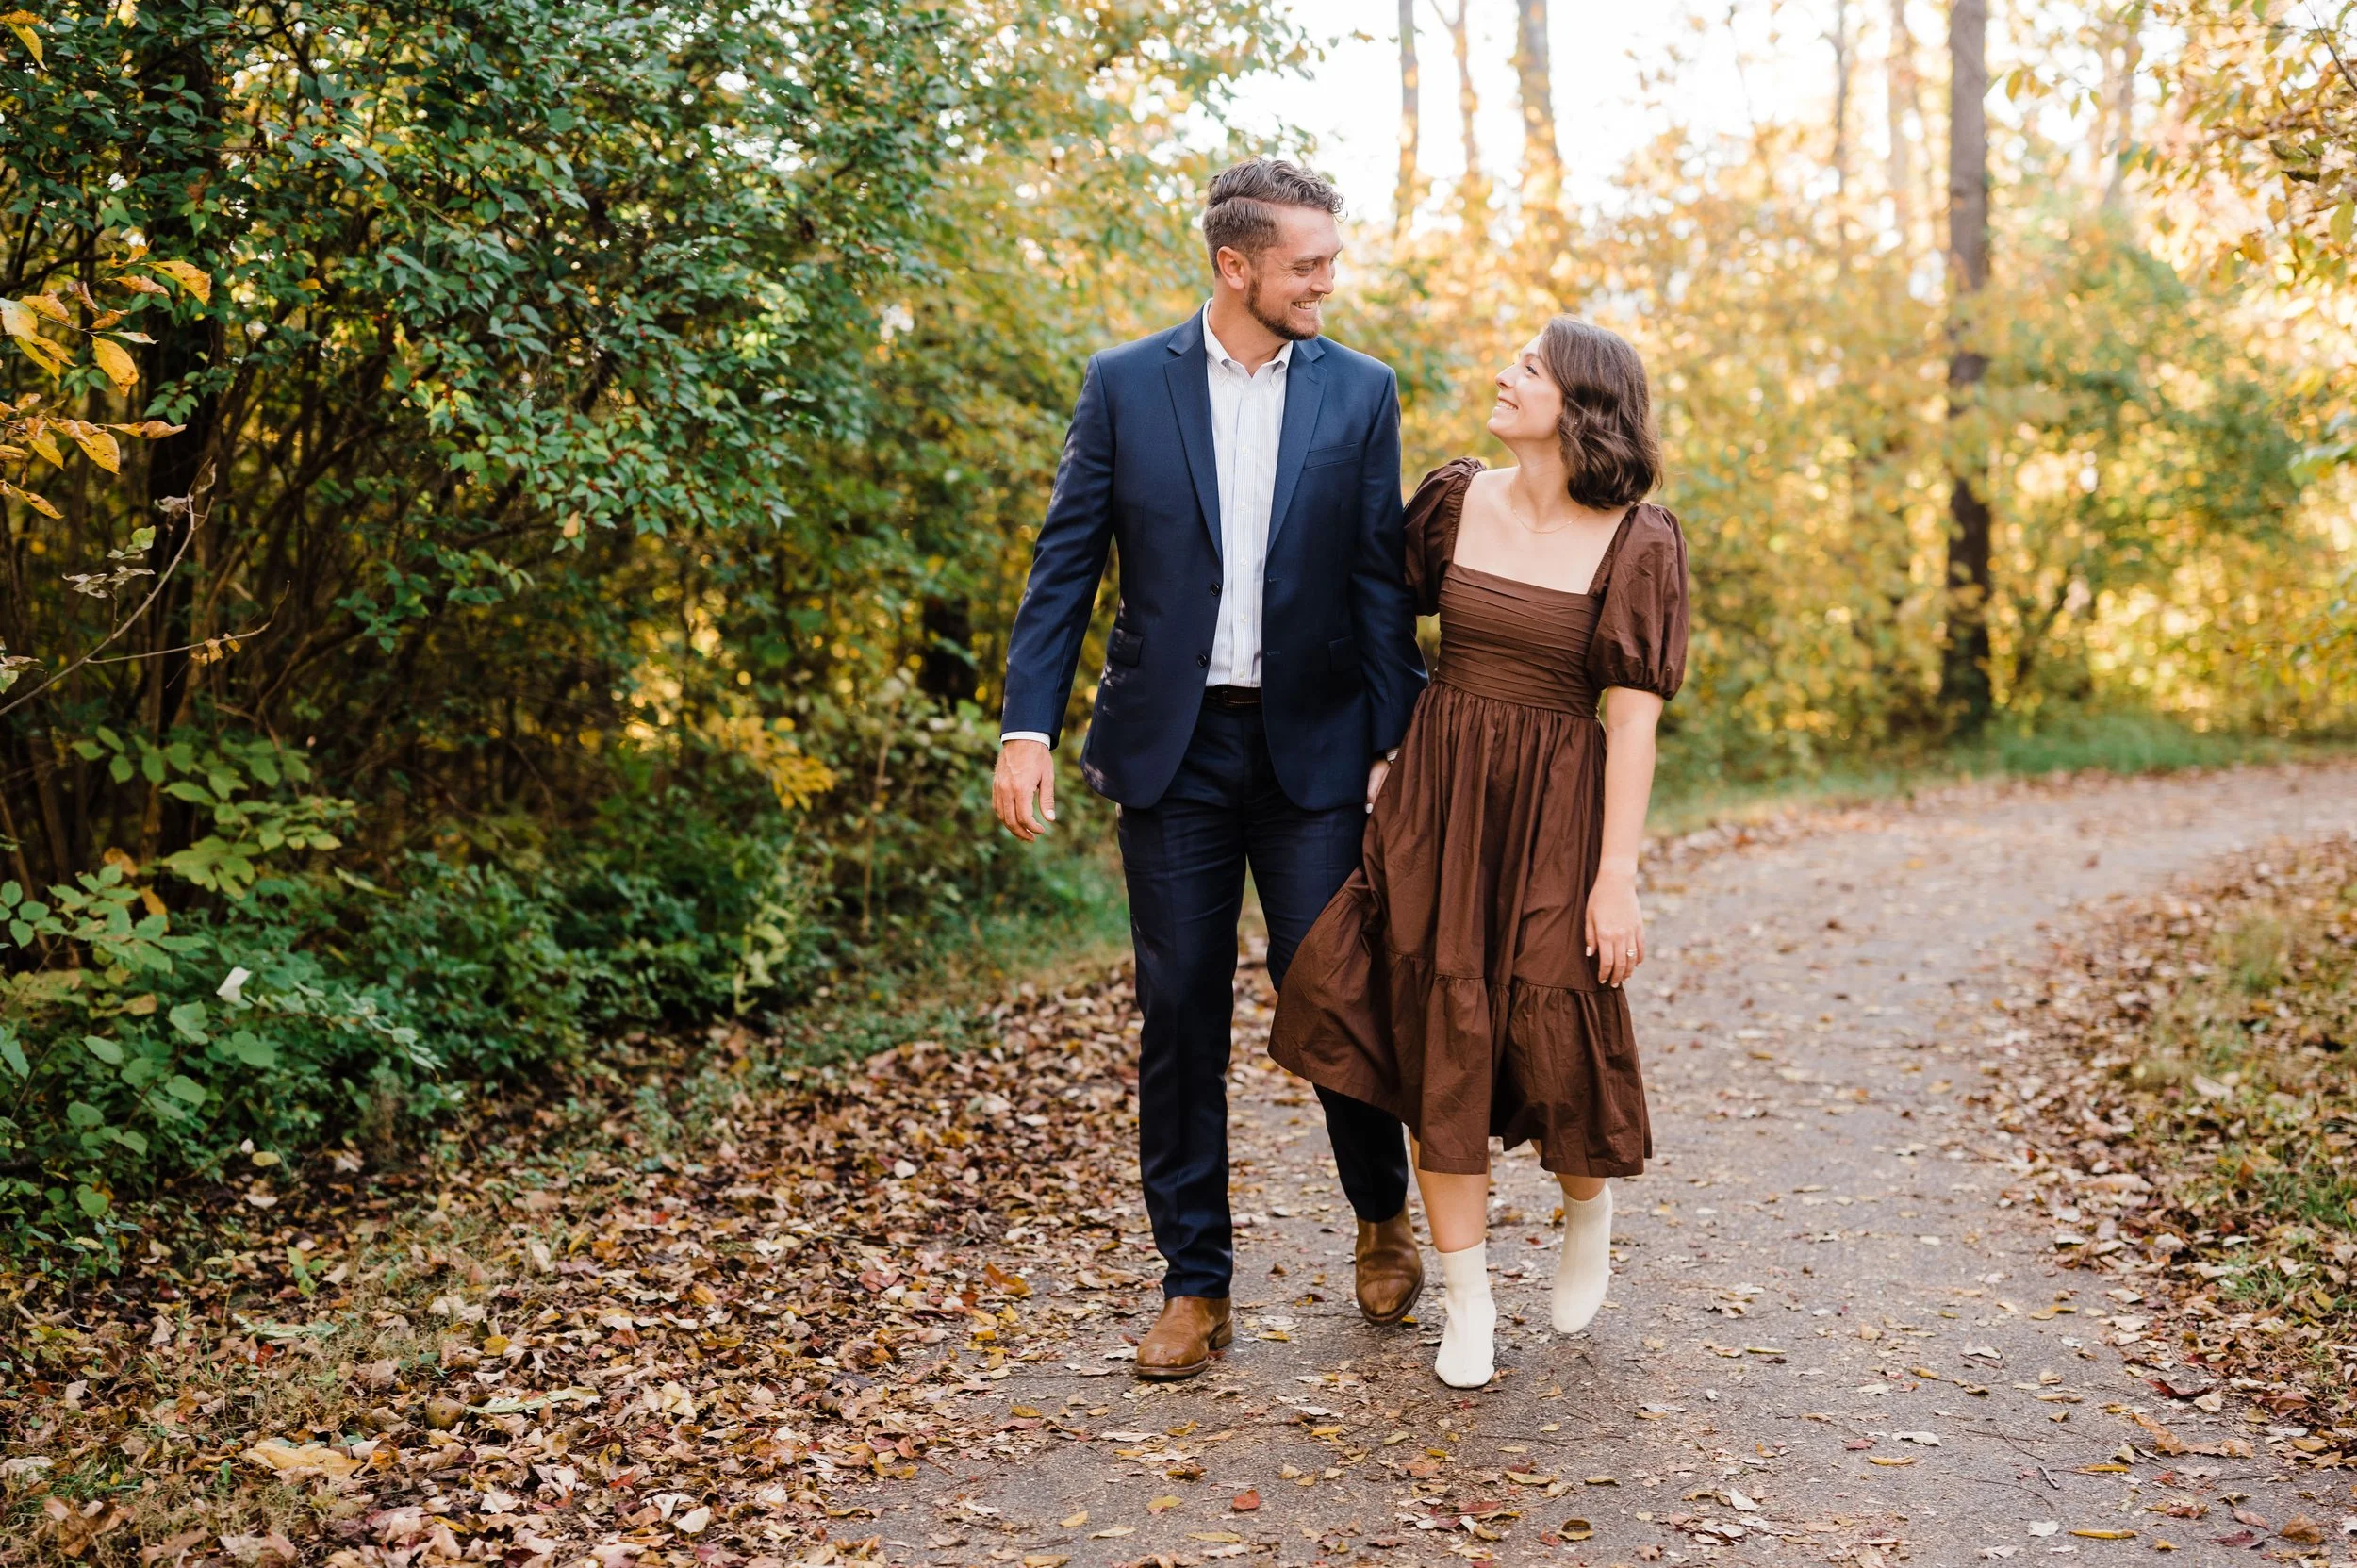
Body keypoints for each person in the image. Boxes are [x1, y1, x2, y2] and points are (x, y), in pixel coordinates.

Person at [993, 157, 1430, 1379]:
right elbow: (1066, 562)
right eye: (1308, 264)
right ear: (1235, 265)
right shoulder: (1127, 384)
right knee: (1179, 1012)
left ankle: (1381, 1209)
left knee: (1327, 987)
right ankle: (1196, 1282)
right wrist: (1026, 722)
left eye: (1331, 261)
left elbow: (1377, 590)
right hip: (1170, 750)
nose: (1328, 284)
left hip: (1314, 751)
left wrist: (1398, 747)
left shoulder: (1363, 393)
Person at [1268, 317, 1689, 1389]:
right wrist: (1375, 747)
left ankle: (1584, 1209)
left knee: (1558, 1033)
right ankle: (1469, 1301)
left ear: (1580, 405)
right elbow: (1369, 621)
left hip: (1555, 810)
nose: (1503, 375)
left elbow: (1631, 721)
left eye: (1529, 368)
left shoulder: (1640, 541)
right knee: (1434, 1042)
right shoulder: (1454, 498)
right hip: (1437, 802)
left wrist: (1615, 876)